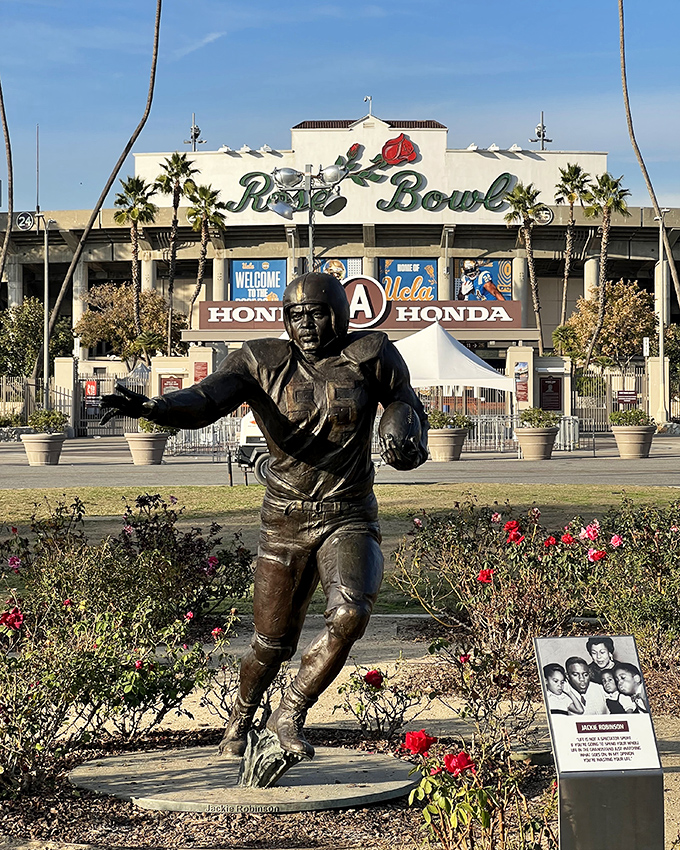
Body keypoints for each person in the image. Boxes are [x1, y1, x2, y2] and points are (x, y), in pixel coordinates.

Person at [100, 272, 428, 761]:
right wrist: (157, 406)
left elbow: (404, 402)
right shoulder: (261, 359)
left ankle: (290, 712)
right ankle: (241, 714)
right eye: (295, 315)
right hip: (285, 520)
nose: (307, 325)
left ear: (339, 312)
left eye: (316, 313)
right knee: (271, 643)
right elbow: (209, 397)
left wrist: (402, 434)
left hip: (349, 513)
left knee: (350, 613)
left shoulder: (373, 353)